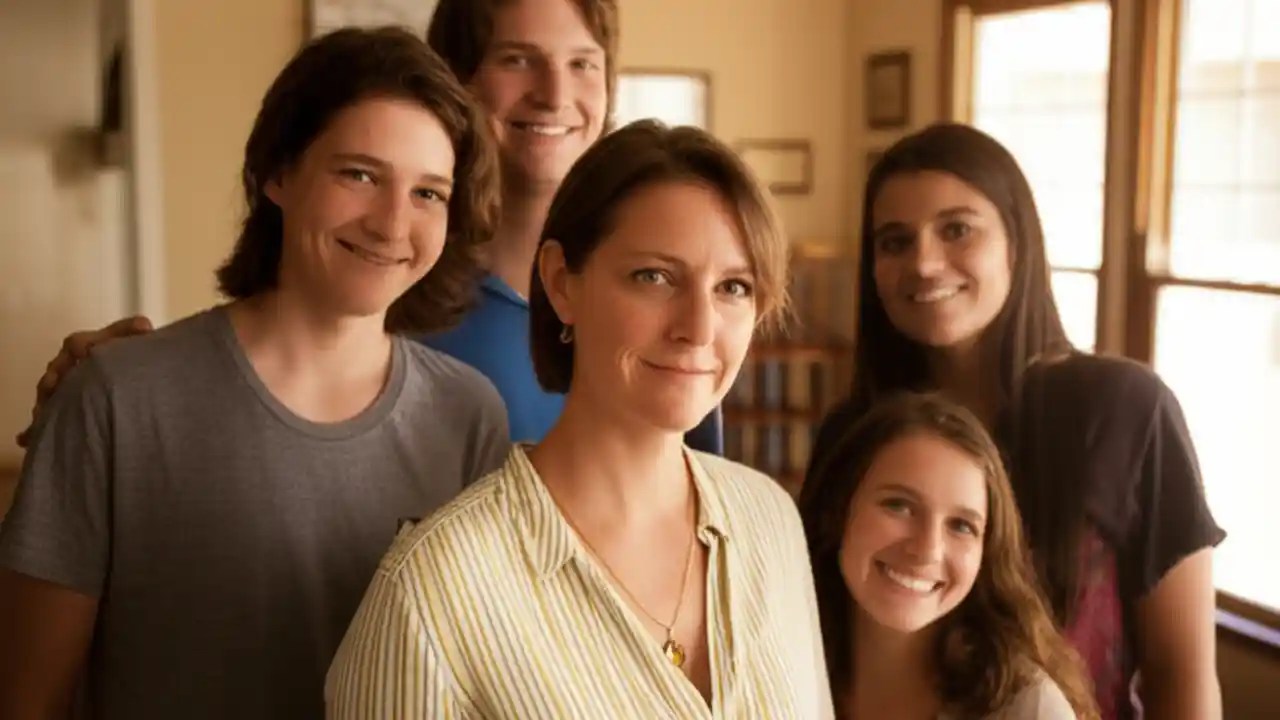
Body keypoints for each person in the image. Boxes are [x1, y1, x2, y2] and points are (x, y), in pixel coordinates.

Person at [0, 27, 508, 720]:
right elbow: (30, 700)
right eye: (359, 174)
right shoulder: (115, 398)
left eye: (429, 193)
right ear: (278, 174)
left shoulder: (468, 415)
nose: (394, 223)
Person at [15, 0, 723, 452]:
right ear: (454, 80)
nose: (556, 93)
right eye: (516, 60)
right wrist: (107, 388)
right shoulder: (383, 280)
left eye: (582, 64)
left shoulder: (662, 316)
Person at [325, 120, 833, 719]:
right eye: (655, 277)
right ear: (562, 283)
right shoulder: (433, 596)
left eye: (733, 288)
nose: (698, 328)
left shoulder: (771, 521)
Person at [808, 123, 1224, 720]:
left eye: (957, 230)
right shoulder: (853, 435)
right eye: (895, 241)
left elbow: (1181, 676)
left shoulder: (1124, 410)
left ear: (1017, 244)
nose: (924, 263)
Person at [799, 392, 1099, 720]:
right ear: (837, 510)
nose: (928, 549)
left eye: (961, 526)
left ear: (987, 553)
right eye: (898, 505)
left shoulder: (1028, 709)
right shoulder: (770, 663)